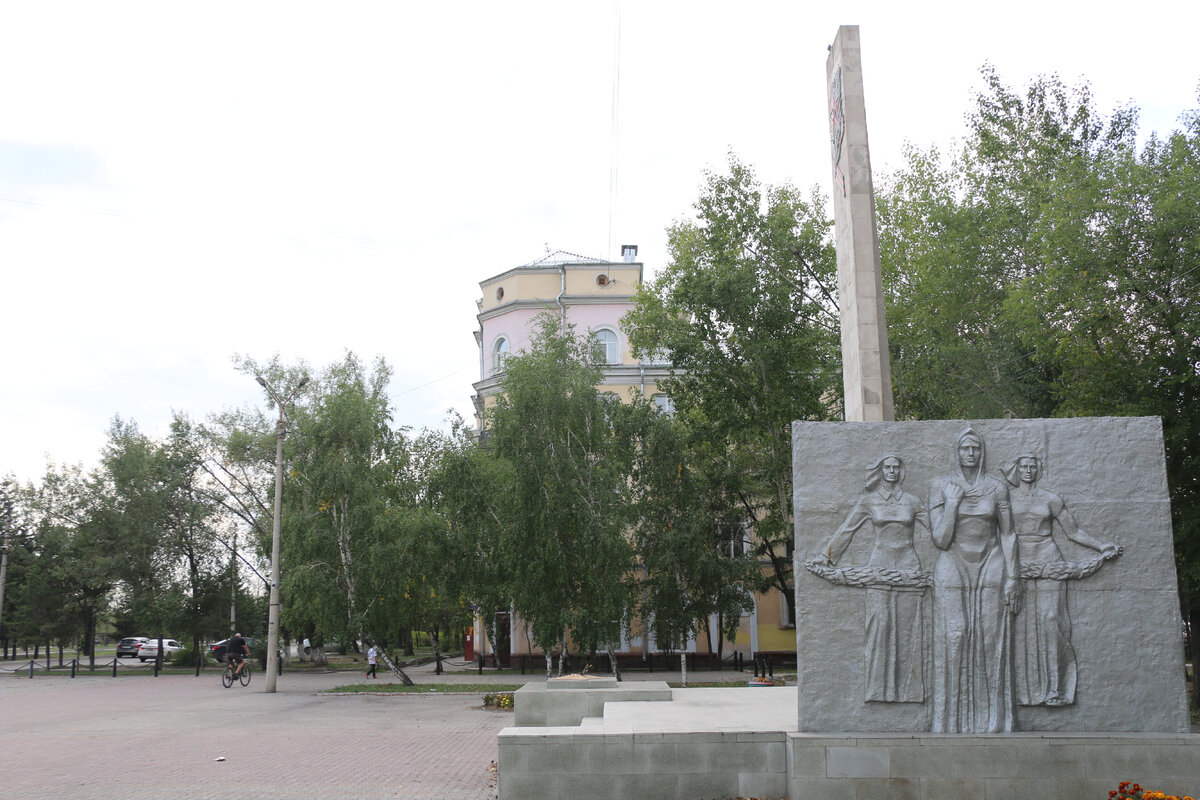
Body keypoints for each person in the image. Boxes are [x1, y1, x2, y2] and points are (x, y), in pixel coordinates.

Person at [1003, 453, 1120, 707]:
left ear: (1039, 470)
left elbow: (1073, 532)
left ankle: (1056, 688)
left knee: (1051, 620)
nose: (1028, 470)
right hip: (1017, 562)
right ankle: (1023, 692)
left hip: (1049, 559)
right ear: (1016, 469)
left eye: (1033, 466)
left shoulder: (1051, 498)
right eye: (1023, 466)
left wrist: (1100, 546)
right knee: (1019, 626)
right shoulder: (1006, 499)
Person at [814, 454, 929, 702]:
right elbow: (847, 529)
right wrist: (827, 556)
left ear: (902, 471)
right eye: (887, 467)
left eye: (896, 467)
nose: (891, 471)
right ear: (880, 471)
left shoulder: (913, 501)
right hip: (878, 566)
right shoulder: (869, 501)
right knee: (879, 626)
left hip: (909, 566)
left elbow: (937, 531)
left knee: (909, 631)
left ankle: (910, 693)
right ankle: (877, 692)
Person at [928, 428, 1021, 733]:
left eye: (976, 449)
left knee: (990, 634)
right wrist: (952, 504)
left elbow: (1007, 533)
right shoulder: (940, 486)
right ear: (957, 452)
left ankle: (995, 718)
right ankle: (948, 720)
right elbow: (940, 540)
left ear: (982, 453)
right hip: (952, 559)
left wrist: (1013, 576)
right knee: (956, 634)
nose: (970, 454)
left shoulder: (997, 488)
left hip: (990, 560)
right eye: (965, 448)